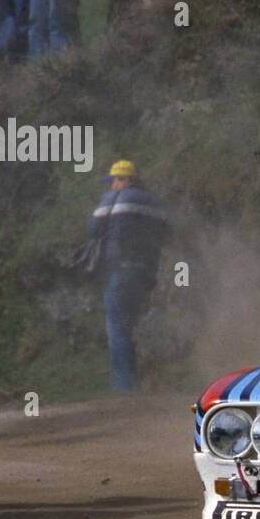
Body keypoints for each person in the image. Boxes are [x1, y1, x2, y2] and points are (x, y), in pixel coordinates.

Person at [87, 160, 169, 392]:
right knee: (131, 323)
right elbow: (168, 231)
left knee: (117, 328)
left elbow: (92, 230)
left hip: (118, 270)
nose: (111, 185)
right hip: (144, 272)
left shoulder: (113, 199)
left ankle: (124, 386)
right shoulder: (153, 202)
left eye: (113, 180)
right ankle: (138, 380)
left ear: (124, 180)